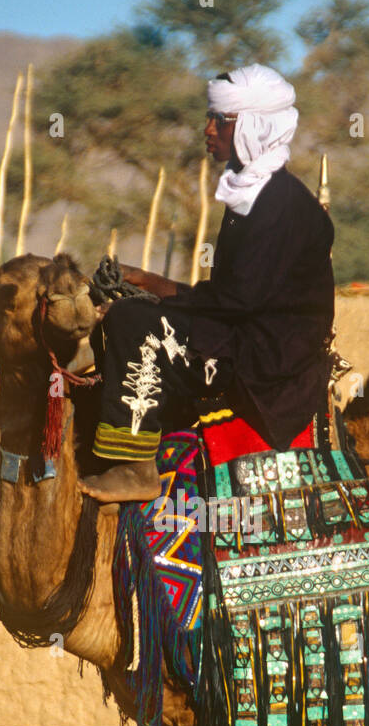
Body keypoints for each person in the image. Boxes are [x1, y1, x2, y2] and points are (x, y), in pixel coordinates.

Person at [81, 63, 335, 503]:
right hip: (248, 335)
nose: (208, 128)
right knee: (136, 308)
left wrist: (156, 294)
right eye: (211, 118)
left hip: (268, 362)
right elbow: (235, 296)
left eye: (221, 119)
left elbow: (237, 302)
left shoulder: (278, 203)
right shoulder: (256, 192)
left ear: (253, 124)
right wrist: (151, 283)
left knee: (131, 321)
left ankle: (137, 469)